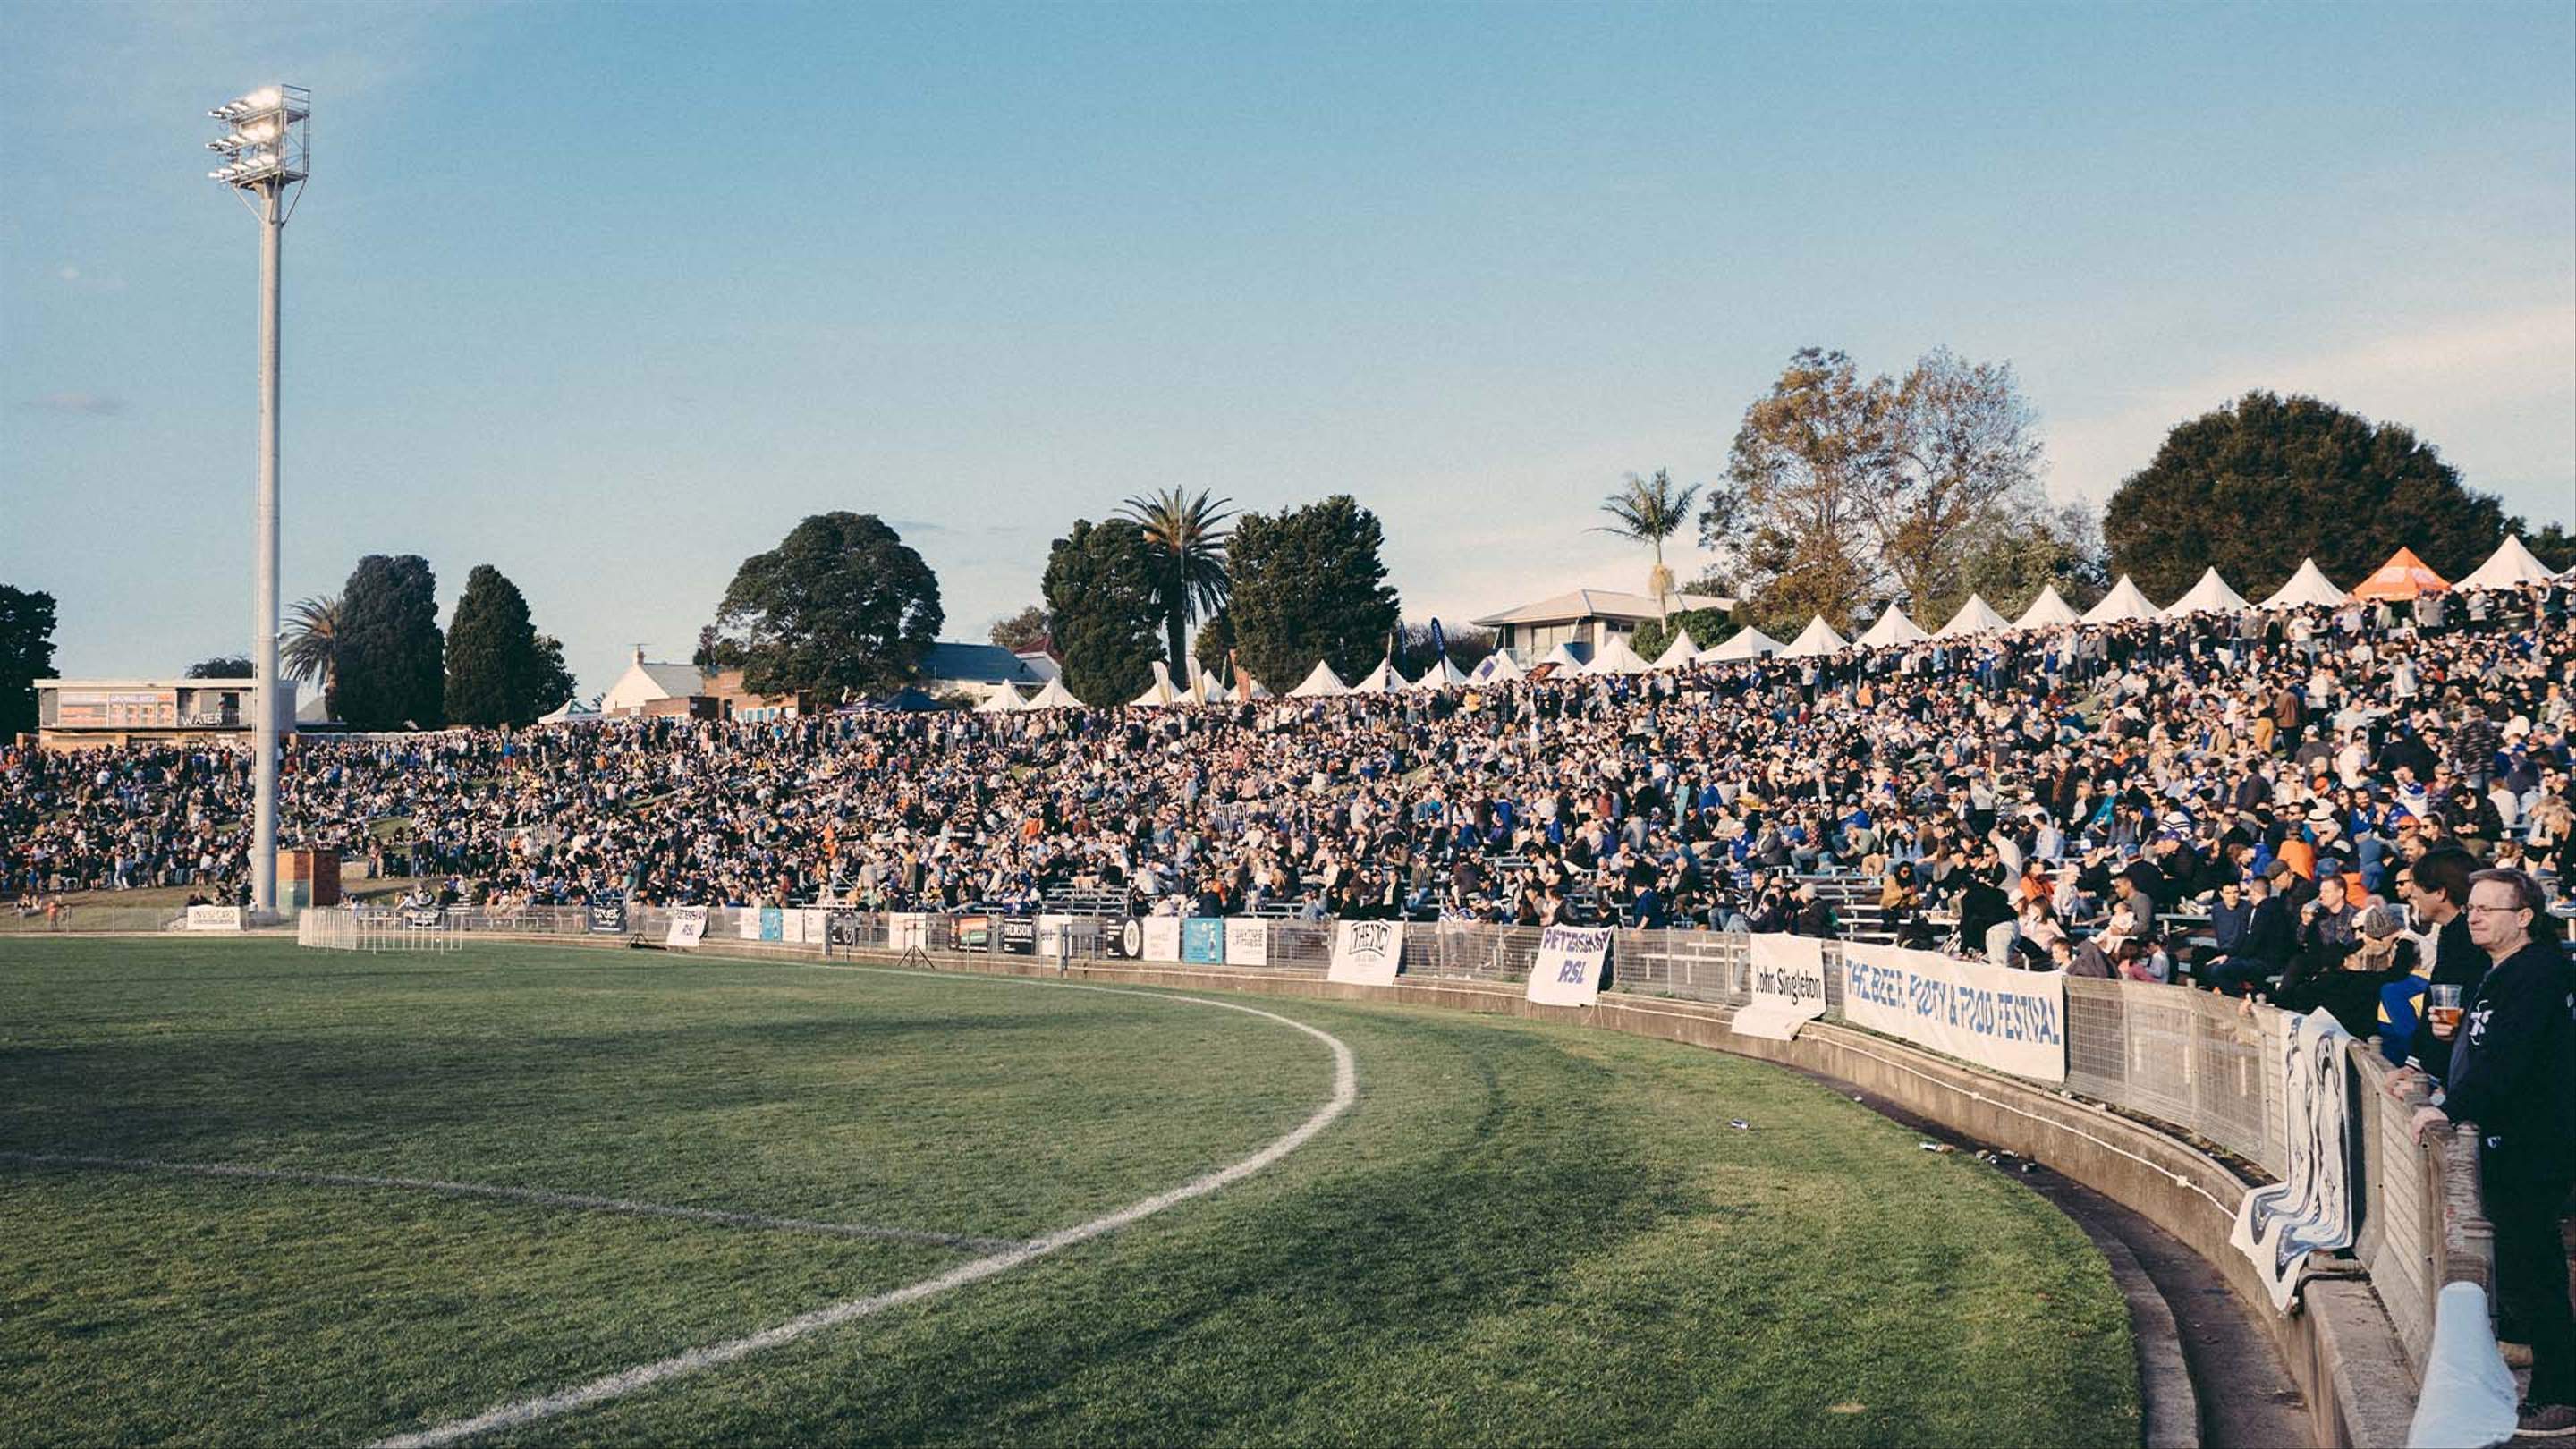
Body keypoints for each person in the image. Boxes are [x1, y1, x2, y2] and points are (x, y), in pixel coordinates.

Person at [2408, 869, 2576, 1436]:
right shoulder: (2499, 972)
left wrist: (2449, 1109)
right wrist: (2443, 1060)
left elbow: (2510, 1061)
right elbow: (2485, 1050)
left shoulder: (2538, 973)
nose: (2474, 916)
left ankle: (2562, 1396)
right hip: (2511, 1140)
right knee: (2522, 1264)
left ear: (2523, 918)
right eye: (2473, 907)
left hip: (2533, 1144)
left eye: (2488, 908)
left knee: (2536, 1267)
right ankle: (2535, 1359)